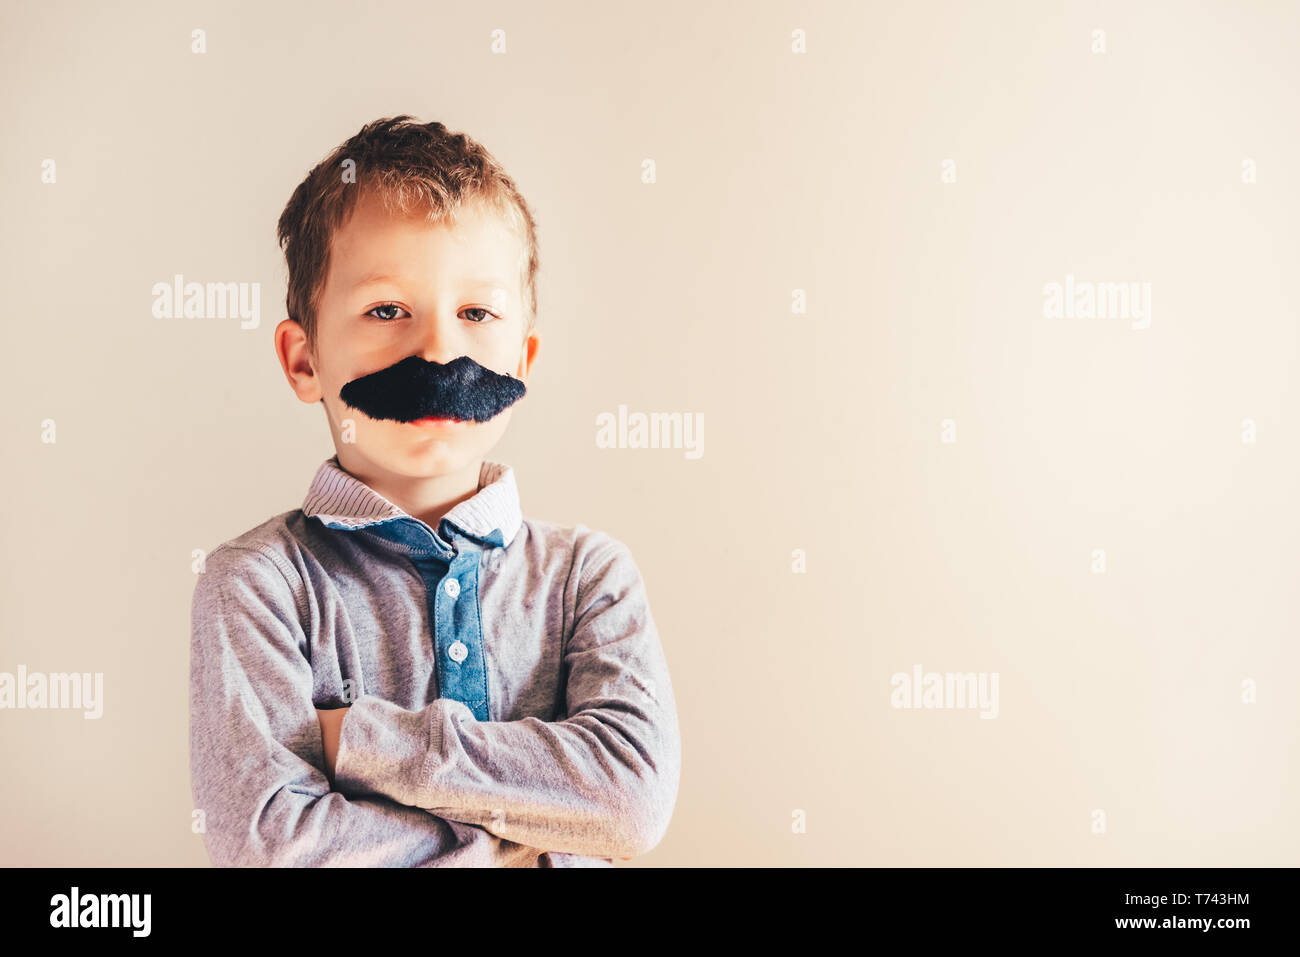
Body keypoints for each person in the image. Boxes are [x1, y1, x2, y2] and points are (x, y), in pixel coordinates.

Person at [188, 115, 681, 867]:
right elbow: (271, 850)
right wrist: (517, 837)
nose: (440, 350)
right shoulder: (257, 585)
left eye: (476, 313)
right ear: (303, 360)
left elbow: (630, 802)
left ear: (524, 358)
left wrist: (356, 737)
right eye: (387, 310)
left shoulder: (588, 578)